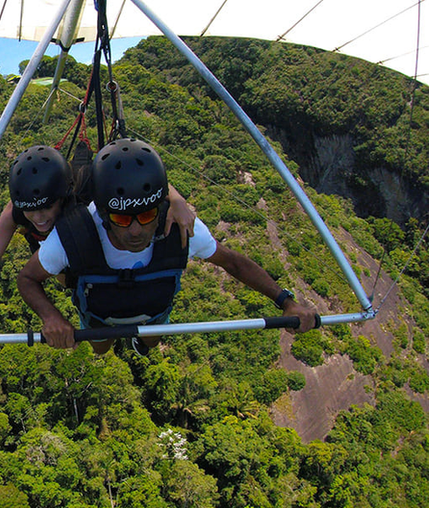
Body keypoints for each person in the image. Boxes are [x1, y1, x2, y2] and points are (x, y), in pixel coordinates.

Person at [17, 137, 317, 354]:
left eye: (146, 215)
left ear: (159, 207)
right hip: (99, 315)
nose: (136, 230)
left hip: (153, 313)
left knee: (150, 340)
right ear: (104, 212)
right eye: (122, 219)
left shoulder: (178, 227)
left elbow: (233, 262)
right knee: (100, 347)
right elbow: (27, 278)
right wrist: (52, 316)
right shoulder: (74, 234)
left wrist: (286, 302)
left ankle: (142, 345)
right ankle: (108, 344)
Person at [0, 143, 197, 334]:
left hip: (90, 249)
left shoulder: (82, 186)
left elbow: (136, 178)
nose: (39, 217)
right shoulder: (15, 212)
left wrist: (175, 198)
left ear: (63, 196)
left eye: (47, 207)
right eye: (30, 210)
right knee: (69, 282)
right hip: (60, 260)